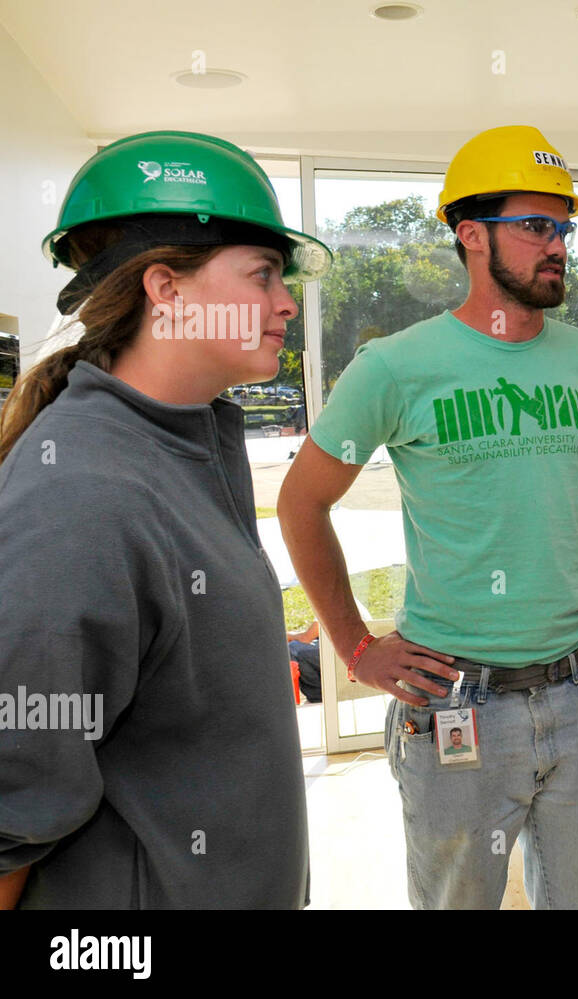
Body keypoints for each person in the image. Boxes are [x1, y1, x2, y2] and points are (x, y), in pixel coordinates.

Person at [277, 125, 578, 910]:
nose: (557, 245)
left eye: (563, 227)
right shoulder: (394, 366)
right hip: (454, 705)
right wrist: (355, 645)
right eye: (536, 226)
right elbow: (301, 501)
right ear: (472, 236)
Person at [0, 130, 332, 908]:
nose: (286, 302)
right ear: (167, 290)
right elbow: (13, 805)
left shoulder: (194, 442)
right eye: (263, 274)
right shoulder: (77, 490)